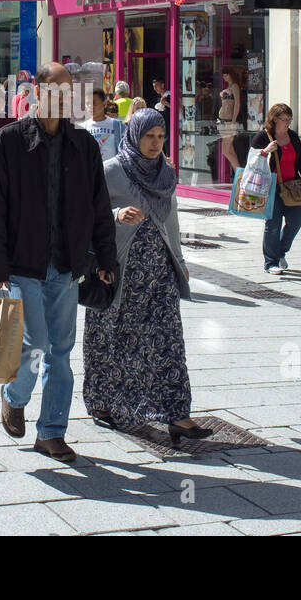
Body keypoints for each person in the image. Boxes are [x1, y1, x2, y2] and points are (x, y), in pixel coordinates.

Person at [0, 62, 117, 463]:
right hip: (23, 264)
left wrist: (104, 257)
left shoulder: (84, 145)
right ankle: (14, 395)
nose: (63, 98)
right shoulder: (8, 142)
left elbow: (99, 207)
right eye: (55, 89)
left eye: (68, 91)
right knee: (36, 342)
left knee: (61, 351)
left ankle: (51, 432)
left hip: (67, 267)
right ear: (36, 93)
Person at [85, 108, 211, 444]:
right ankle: (104, 403)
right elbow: (85, 212)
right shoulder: (112, 171)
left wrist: (180, 260)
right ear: (134, 136)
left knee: (168, 339)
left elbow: (171, 220)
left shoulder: (165, 172)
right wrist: (115, 214)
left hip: (159, 270)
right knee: (113, 339)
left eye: (160, 137)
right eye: (149, 137)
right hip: (119, 271)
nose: (155, 144)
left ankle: (177, 415)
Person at [254, 103, 301, 274]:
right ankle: (270, 262)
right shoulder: (263, 137)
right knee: (273, 224)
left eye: (290, 119)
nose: (288, 123)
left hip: (292, 186)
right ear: (274, 119)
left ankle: (280, 251)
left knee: (296, 221)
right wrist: (266, 151)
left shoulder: (293, 136)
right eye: (285, 119)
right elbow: (251, 160)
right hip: (271, 186)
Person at [79, 88, 125, 162]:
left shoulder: (118, 126)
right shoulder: (82, 128)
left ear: (104, 103)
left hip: (112, 171)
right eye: (87, 103)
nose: (90, 106)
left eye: (94, 103)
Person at [218, 66, 246, 172]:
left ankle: (240, 175)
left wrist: (234, 121)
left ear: (231, 75)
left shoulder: (234, 86)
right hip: (223, 120)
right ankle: (238, 175)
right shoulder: (229, 86)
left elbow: (237, 103)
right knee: (230, 150)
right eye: (223, 75)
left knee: (226, 151)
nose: (224, 77)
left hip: (230, 120)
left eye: (226, 75)